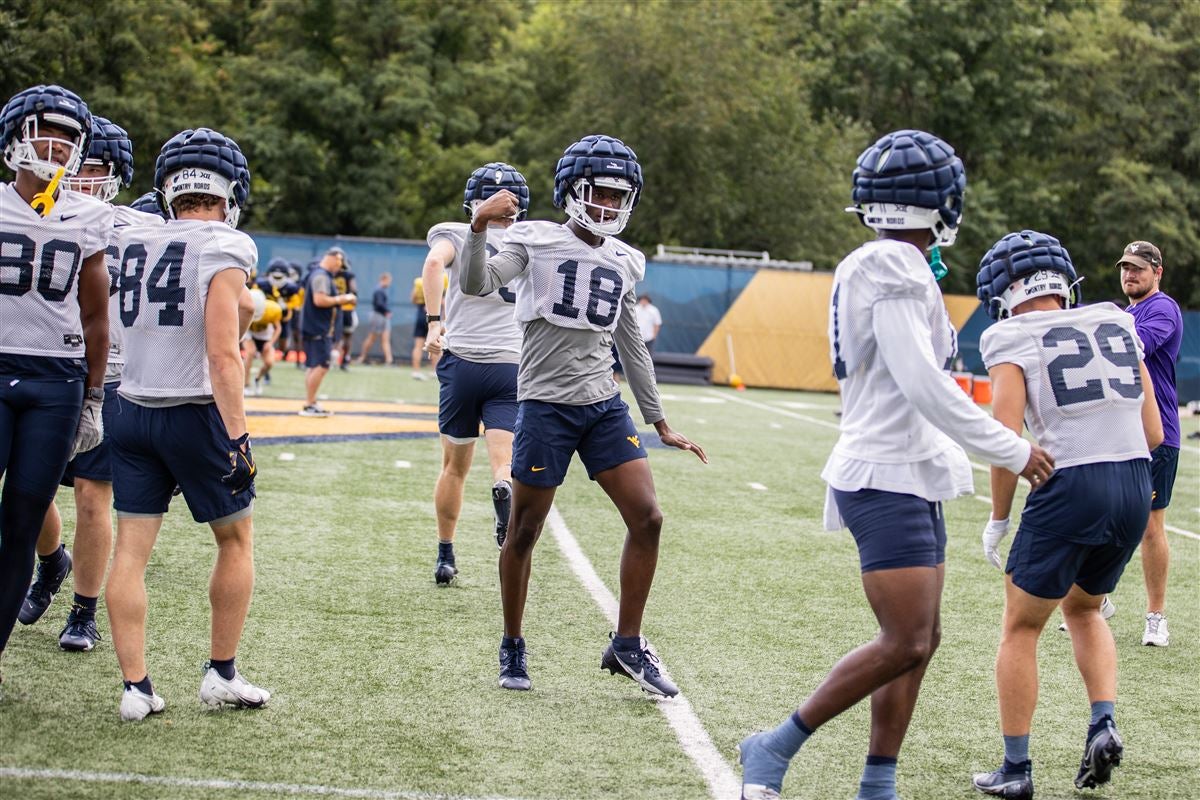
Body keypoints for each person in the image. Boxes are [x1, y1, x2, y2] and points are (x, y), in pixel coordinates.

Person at [736, 130, 1054, 800]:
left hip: (904, 471)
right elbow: (923, 385)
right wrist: (1015, 450)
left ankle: (878, 780)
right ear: (939, 200)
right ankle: (773, 746)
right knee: (906, 639)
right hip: (885, 474)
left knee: (921, 637)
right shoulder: (895, 267)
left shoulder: (880, 262)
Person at [462, 134, 706, 697]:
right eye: (600, 195)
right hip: (545, 406)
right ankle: (513, 642)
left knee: (648, 518)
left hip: (601, 405)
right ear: (573, 192)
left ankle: (626, 644)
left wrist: (659, 420)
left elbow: (632, 345)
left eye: (621, 198)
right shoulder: (534, 243)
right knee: (524, 532)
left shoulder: (623, 259)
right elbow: (476, 282)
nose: (611, 208)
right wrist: (478, 226)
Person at [971, 230, 1161, 798]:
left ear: (1007, 290)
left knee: (1021, 625)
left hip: (1069, 480)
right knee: (1085, 610)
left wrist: (999, 518)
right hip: (1134, 481)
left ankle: (1016, 770)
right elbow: (1153, 430)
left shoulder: (1010, 334)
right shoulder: (1117, 319)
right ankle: (1102, 723)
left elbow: (1007, 441)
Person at [105, 126, 269, 721]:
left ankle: (136, 687)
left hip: (130, 409)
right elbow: (224, 355)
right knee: (235, 539)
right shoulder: (225, 246)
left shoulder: (133, 237)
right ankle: (221, 674)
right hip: (195, 412)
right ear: (231, 191)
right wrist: (239, 434)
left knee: (131, 552)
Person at [18, 116, 166, 654]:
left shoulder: (135, 226)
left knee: (91, 495)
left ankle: (83, 611)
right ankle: (51, 560)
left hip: (114, 373)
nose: (79, 178)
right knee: (25, 487)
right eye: (78, 166)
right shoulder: (37, 215)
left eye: (95, 170)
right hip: (49, 368)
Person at [0, 85, 112, 686]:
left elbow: (96, 316)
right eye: (50, 130)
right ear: (16, 137)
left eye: (71, 136)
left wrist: (93, 395)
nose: (61, 145)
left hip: (56, 379)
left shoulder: (89, 215)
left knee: (21, 517)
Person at [422, 162, 529, 585]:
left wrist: (434, 323)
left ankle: (446, 554)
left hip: (463, 360)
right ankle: (502, 486)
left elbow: (434, 265)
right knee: (504, 461)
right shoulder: (529, 239)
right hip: (510, 362)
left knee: (454, 466)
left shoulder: (454, 231)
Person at [1118, 241, 1182, 647]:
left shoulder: (1163, 309)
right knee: (1105, 513)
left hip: (1157, 434)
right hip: (1121, 432)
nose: (1130, 275)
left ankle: (1156, 616)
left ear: (1157, 272)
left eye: (1139, 268)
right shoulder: (1124, 313)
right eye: (1125, 268)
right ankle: (1094, 600)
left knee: (1150, 527)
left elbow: (1131, 347)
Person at [299, 246, 355, 417]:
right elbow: (320, 300)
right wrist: (344, 298)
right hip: (319, 328)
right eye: (340, 264)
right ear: (335, 258)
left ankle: (311, 401)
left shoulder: (320, 274)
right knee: (321, 366)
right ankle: (309, 404)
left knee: (315, 366)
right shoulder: (321, 275)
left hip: (315, 327)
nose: (339, 269)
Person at [356, 272, 393, 365]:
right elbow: (379, 304)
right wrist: (387, 311)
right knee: (371, 338)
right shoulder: (378, 290)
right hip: (377, 316)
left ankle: (389, 360)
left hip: (383, 317)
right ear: (384, 280)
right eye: (388, 281)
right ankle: (362, 357)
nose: (389, 283)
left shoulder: (382, 290)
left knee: (385, 339)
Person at [332, 256, 358, 371]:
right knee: (347, 336)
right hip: (347, 309)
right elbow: (354, 290)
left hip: (334, 308)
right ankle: (344, 362)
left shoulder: (332, 275)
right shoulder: (349, 275)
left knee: (335, 336)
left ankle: (330, 361)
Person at [410, 274, 432, 380]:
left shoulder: (419, 284)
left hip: (420, 314)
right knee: (435, 344)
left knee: (418, 345)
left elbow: (413, 299)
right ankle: (435, 370)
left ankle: (416, 371)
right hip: (432, 315)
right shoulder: (438, 281)